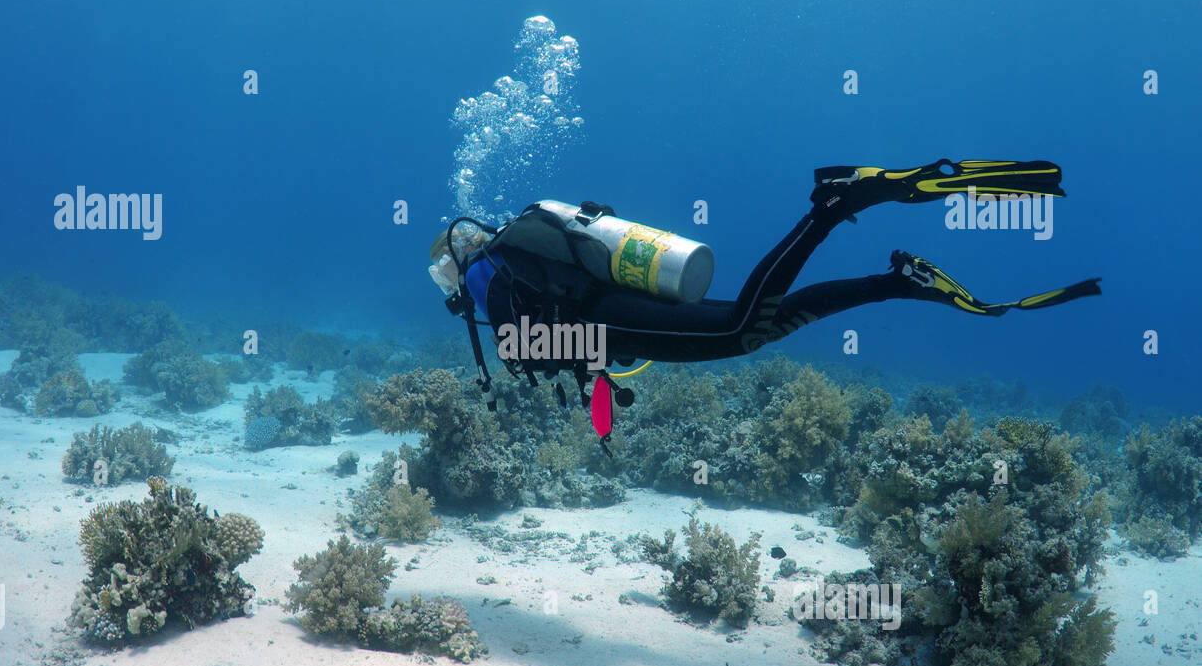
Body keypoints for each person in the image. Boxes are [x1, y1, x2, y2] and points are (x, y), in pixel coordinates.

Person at [429, 158, 1101, 421]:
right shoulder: (509, 257)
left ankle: (831, 208)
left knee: (741, 328)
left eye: (442, 275)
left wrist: (583, 366)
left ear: (455, 262)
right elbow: (562, 340)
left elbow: (538, 345)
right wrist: (594, 376)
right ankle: (897, 280)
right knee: (758, 325)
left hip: (610, 319)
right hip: (613, 312)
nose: (447, 288)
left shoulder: (491, 282)